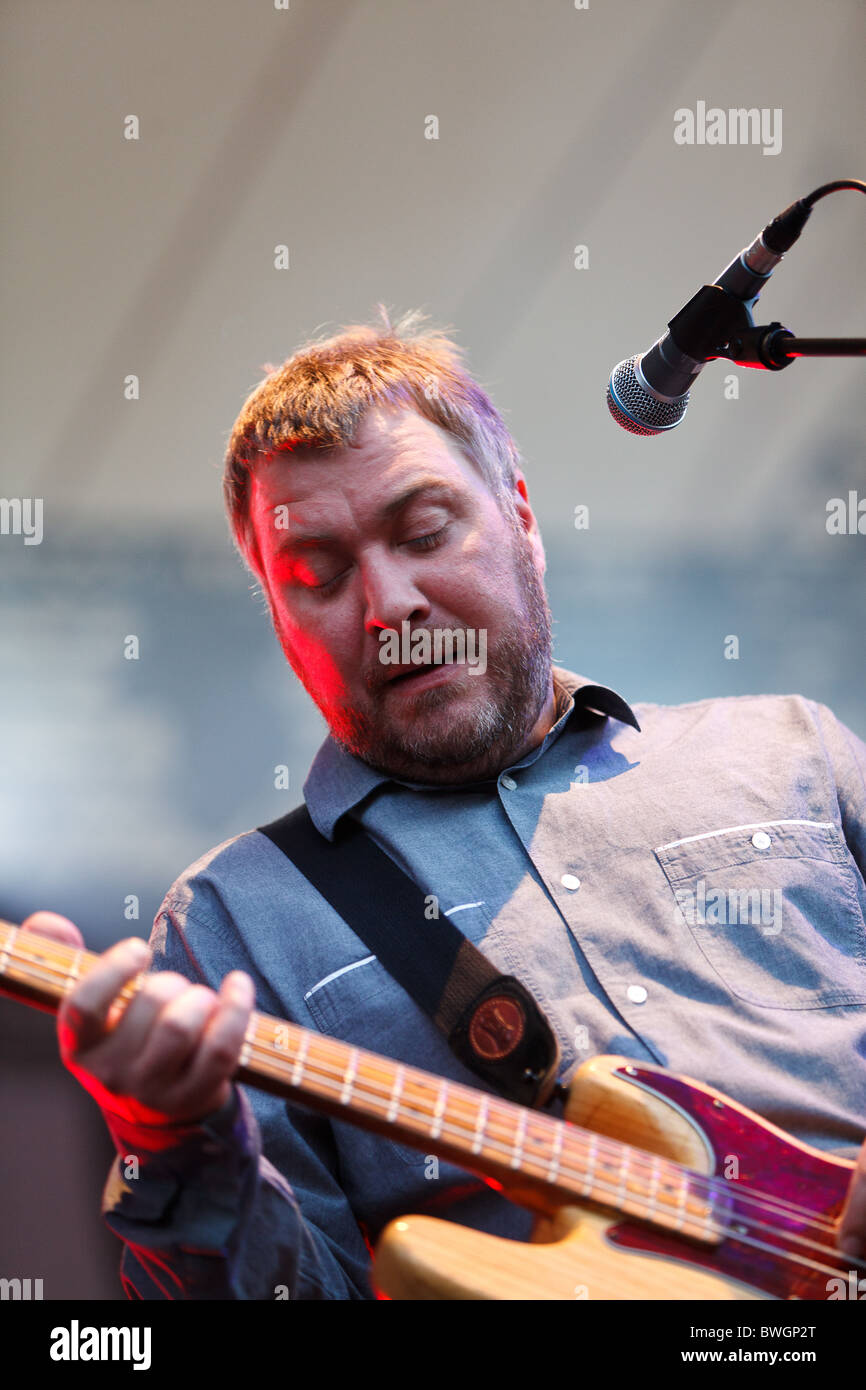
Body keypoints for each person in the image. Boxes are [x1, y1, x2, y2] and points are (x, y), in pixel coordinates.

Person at [22, 309, 866, 1299]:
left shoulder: (789, 750)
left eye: (424, 532)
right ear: (277, 620)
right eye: (316, 576)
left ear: (520, 517)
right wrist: (172, 1142)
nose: (388, 604)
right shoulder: (230, 925)